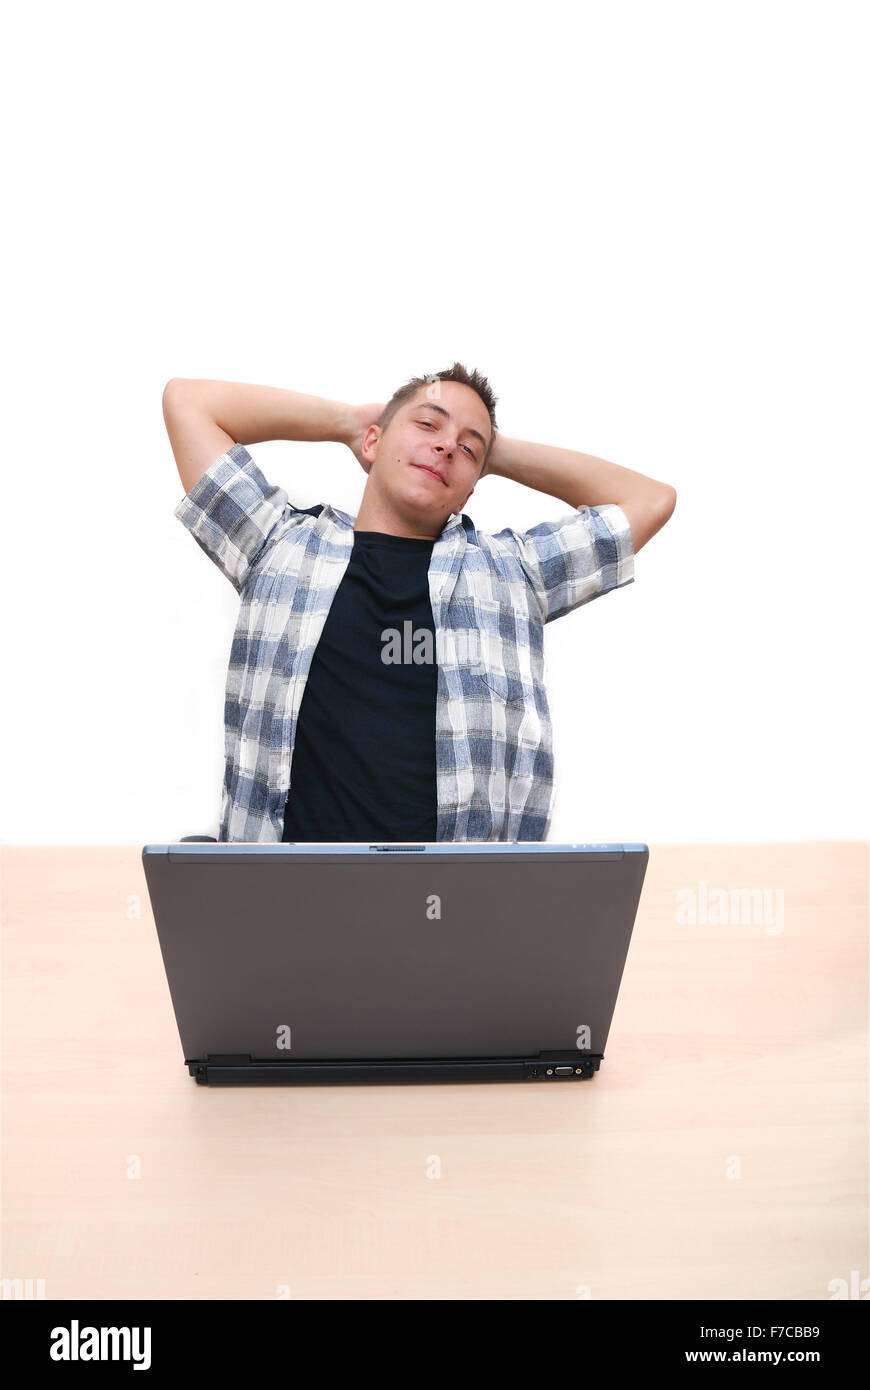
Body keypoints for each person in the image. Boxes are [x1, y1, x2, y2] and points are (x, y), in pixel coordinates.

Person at [163, 362, 676, 843]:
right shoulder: (278, 543)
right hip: (284, 902)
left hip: (458, 913)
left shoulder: (515, 572)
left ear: (472, 488)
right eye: (428, 424)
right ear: (373, 442)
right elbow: (188, 403)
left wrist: (496, 452)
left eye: (467, 449)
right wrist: (348, 421)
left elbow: (650, 500)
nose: (447, 446)